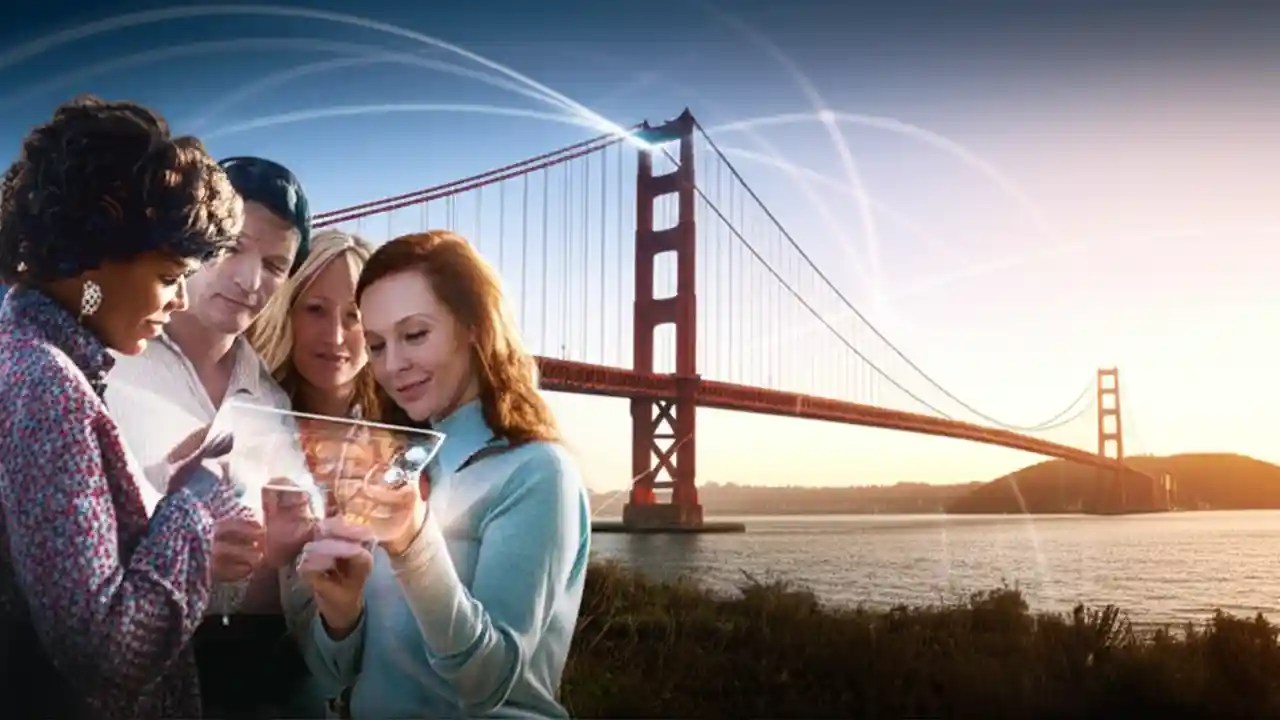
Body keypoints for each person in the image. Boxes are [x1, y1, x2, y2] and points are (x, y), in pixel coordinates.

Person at [0, 95, 245, 719]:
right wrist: (197, 506)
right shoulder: (48, 386)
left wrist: (172, 496)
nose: (181, 300)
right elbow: (108, 653)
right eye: (170, 274)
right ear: (94, 250)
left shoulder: (25, 359)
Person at [290, 231, 592, 718]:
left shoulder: (536, 472)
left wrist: (413, 547)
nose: (393, 365)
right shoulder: (399, 468)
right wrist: (342, 615)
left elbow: (487, 682)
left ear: (472, 325)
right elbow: (334, 677)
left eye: (415, 335)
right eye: (378, 344)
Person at [104, 154, 319, 718]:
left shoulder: (273, 403)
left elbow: (284, 575)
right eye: (231, 247)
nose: (251, 281)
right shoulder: (102, 367)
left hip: (256, 678)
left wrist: (287, 550)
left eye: (275, 264)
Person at [247, 227, 379, 420]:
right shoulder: (244, 413)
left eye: (354, 315)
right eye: (316, 310)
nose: (335, 337)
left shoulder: (415, 422)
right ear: (286, 313)